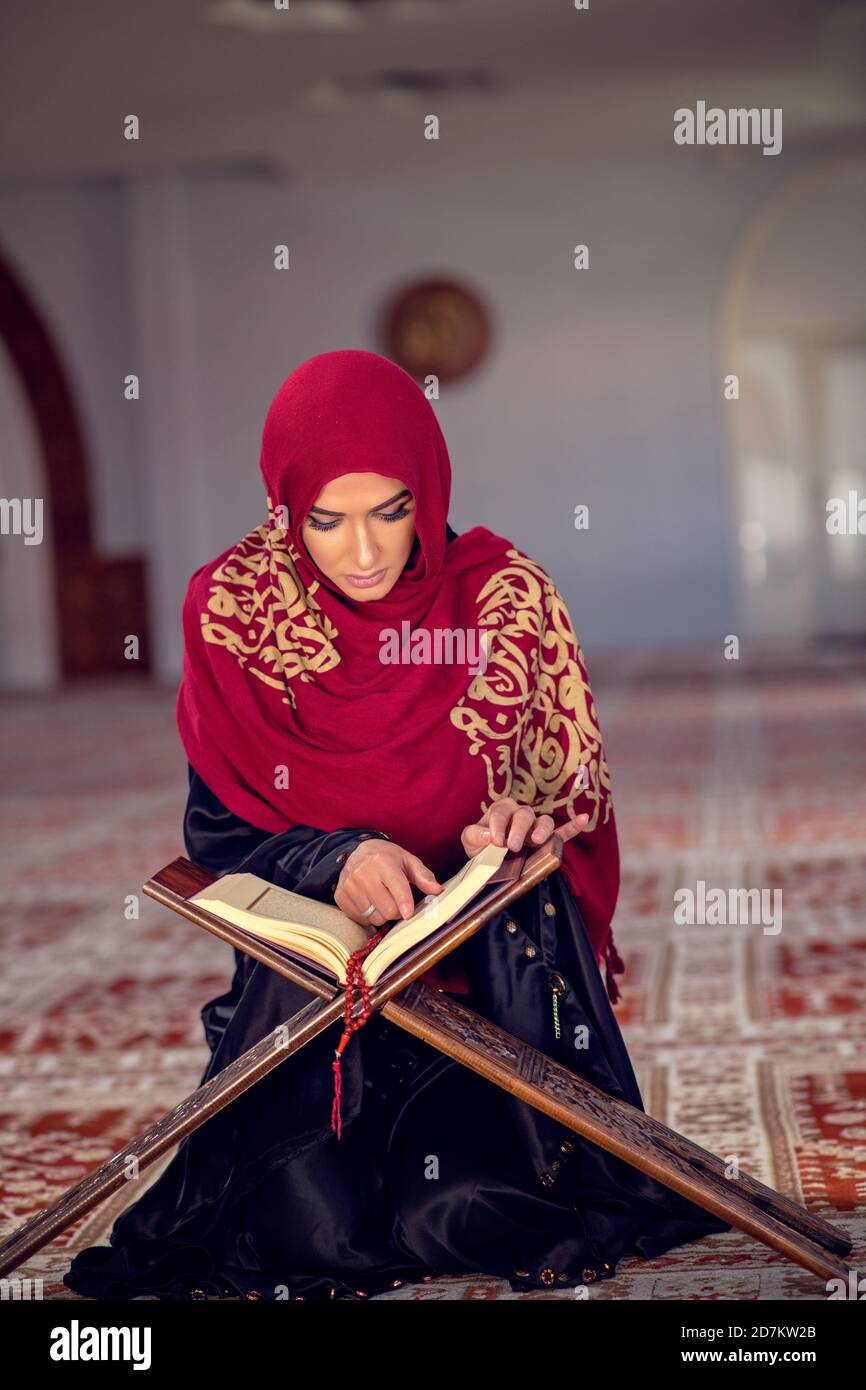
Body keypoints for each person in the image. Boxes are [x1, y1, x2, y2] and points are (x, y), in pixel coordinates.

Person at [63, 349, 730, 1302]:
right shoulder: (236, 612)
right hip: (319, 1004)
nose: (365, 552)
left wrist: (526, 822)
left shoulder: (504, 601)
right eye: (326, 520)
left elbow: (571, 805)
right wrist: (335, 858)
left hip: (481, 998)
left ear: (430, 490)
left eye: (392, 510)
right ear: (287, 510)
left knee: (461, 1211)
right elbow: (218, 836)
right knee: (308, 1224)